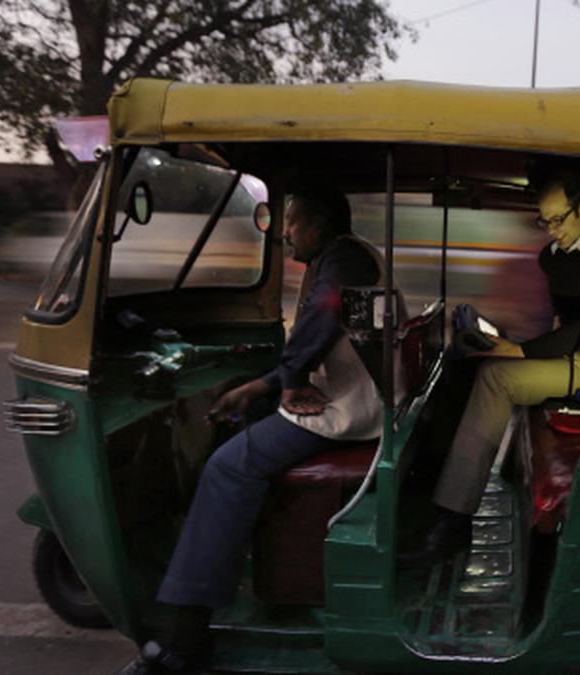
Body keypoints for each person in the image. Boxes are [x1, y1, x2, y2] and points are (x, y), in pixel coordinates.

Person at [117, 186, 386, 675]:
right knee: (240, 420)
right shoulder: (346, 256)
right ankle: (234, 556)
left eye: (293, 222)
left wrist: (293, 379)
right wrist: (265, 385)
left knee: (226, 468)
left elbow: (327, 313)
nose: (284, 233)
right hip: (345, 398)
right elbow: (331, 338)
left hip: (344, 413)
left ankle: (183, 639)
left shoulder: (344, 262)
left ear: (319, 225)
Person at [403, 159, 580, 564]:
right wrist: (508, 341)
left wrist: (519, 350)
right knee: (464, 359)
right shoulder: (560, 254)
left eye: (559, 219)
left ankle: (454, 520)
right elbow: (563, 319)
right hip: (578, 350)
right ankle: (434, 481)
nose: (553, 231)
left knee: (498, 378)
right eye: (545, 222)